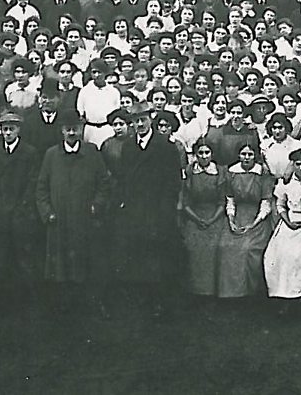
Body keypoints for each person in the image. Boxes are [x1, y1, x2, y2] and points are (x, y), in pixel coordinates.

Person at [107, 103, 184, 316]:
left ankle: (160, 301)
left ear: (150, 118)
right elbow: (124, 179)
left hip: (158, 210)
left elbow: (173, 181)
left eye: (142, 119)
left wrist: (165, 209)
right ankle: (142, 298)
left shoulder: (165, 146)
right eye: (135, 121)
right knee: (138, 254)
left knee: (158, 256)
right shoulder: (129, 147)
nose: (139, 124)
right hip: (135, 209)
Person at [35, 109, 111, 315]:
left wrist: (97, 204)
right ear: (61, 131)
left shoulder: (92, 152)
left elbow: (104, 184)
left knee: (85, 263)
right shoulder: (51, 155)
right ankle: (63, 307)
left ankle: (87, 305)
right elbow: (41, 187)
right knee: (60, 266)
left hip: (84, 218)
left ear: (81, 129)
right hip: (58, 220)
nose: (72, 133)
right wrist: (47, 212)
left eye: (76, 129)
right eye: (68, 129)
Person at [0, 111, 43, 298]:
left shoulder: (29, 153)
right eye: (4, 129)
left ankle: (27, 296)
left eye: (11, 129)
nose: (8, 133)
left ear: (18, 130)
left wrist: (22, 208)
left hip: (19, 214)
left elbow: (33, 183)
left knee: (23, 257)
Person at [264, 148, 301, 302]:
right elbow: (280, 204)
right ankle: (281, 295)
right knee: (276, 255)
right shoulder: (286, 182)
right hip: (289, 223)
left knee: (300, 257)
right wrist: (287, 221)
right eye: (297, 164)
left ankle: (300, 295)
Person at [217, 142, 274, 299]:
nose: (246, 158)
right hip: (238, 215)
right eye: (243, 154)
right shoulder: (232, 172)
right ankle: (232, 293)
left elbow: (266, 202)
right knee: (225, 246)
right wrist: (231, 219)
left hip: (257, 217)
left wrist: (254, 223)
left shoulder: (261, 173)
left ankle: (251, 292)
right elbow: (230, 199)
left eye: (250, 154)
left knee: (249, 249)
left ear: (255, 156)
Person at [178, 138, 226, 298]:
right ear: (196, 155)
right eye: (200, 153)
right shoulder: (190, 171)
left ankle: (212, 291)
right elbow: (185, 202)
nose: (204, 156)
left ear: (212, 154)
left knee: (216, 245)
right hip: (194, 215)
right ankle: (195, 291)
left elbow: (222, 201)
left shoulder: (219, 171)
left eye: (207, 153)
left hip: (215, 215)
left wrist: (212, 219)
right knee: (192, 245)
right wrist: (197, 219)